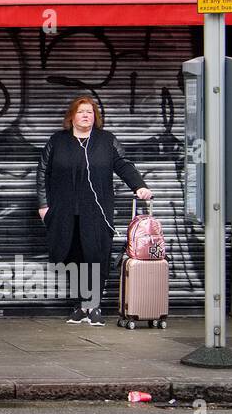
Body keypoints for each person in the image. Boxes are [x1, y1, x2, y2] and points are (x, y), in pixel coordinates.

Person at [36, 96, 152, 326]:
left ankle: (94, 305)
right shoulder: (57, 141)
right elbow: (43, 173)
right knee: (73, 257)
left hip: (96, 210)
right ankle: (80, 305)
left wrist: (139, 186)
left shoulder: (106, 140)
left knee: (96, 256)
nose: (86, 115)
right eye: (81, 112)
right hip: (64, 211)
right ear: (72, 117)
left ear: (95, 117)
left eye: (90, 112)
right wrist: (43, 206)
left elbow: (123, 164)